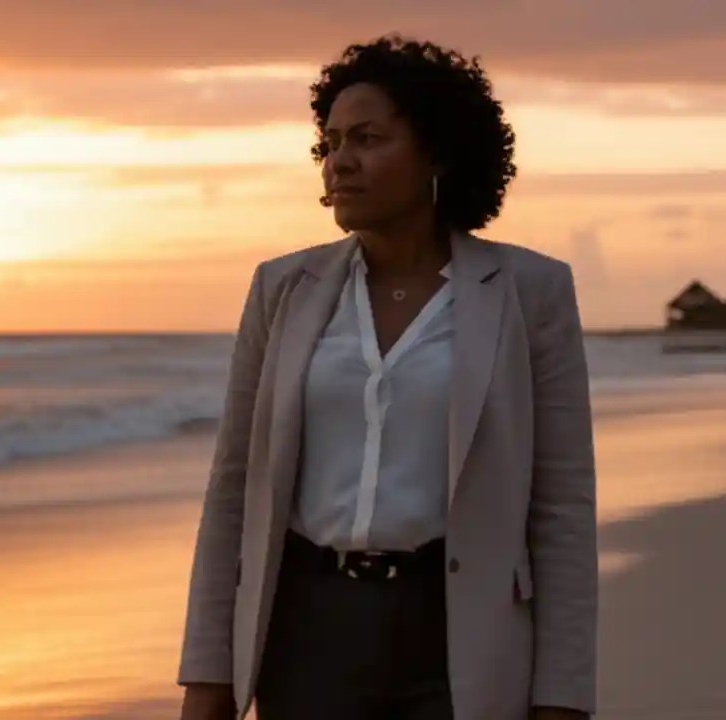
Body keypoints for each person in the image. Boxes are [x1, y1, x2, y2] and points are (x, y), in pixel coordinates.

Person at [176, 34, 597, 720]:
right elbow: (233, 494)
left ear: (437, 151)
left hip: (461, 637)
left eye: (368, 139)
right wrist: (207, 679)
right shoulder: (283, 289)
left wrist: (564, 699)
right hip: (307, 632)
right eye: (331, 143)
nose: (341, 161)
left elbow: (562, 511)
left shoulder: (529, 292)